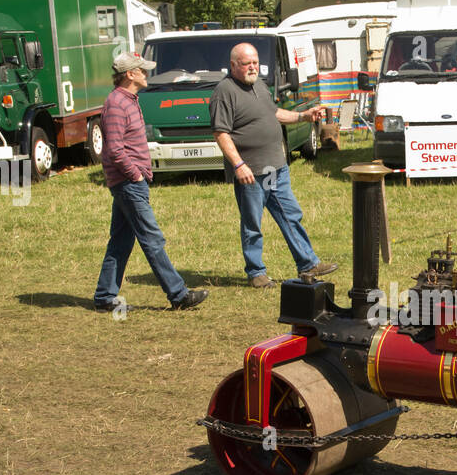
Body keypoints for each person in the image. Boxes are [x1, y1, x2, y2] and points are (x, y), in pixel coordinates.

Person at [212, 42, 337, 289]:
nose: (252, 67)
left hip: (275, 168)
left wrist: (303, 116)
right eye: (247, 63)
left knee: (290, 214)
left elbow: (275, 113)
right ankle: (256, 273)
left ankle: (308, 263)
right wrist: (239, 165)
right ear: (234, 64)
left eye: (256, 62)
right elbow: (221, 133)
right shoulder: (224, 92)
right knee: (252, 223)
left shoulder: (259, 85)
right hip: (250, 172)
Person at [93, 51, 207, 312]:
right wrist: (135, 173)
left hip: (131, 182)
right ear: (130, 74)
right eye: (142, 70)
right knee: (152, 239)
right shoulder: (117, 103)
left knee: (121, 241)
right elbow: (114, 149)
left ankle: (104, 296)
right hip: (128, 183)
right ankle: (178, 294)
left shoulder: (128, 99)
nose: (146, 74)